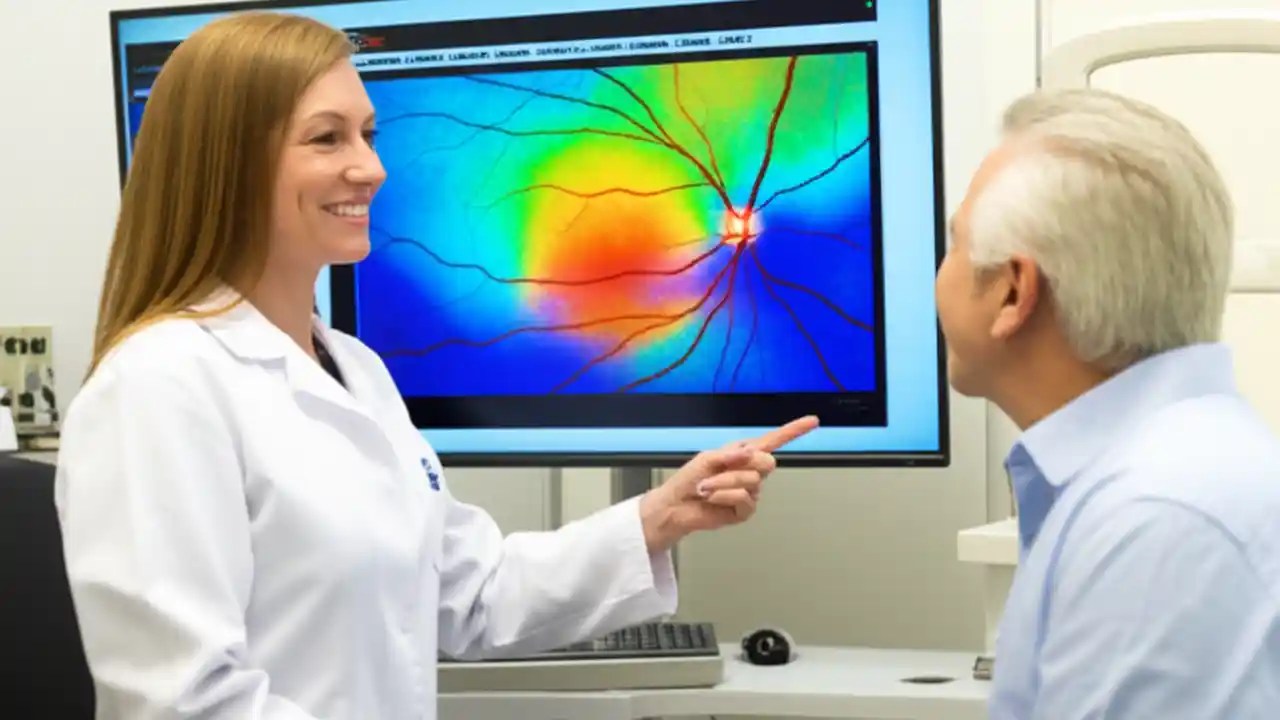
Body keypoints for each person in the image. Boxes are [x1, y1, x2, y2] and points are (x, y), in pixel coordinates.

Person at [54, 11, 818, 719]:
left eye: (368, 134)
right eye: (327, 139)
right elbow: (184, 702)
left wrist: (660, 518)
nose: (371, 169)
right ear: (226, 164)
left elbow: (470, 593)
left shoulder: (352, 367)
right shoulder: (156, 388)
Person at [937, 86, 1280, 718]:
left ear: (1013, 292)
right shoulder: (1170, 477)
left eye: (955, 243)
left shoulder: (1158, 520)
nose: (941, 272)